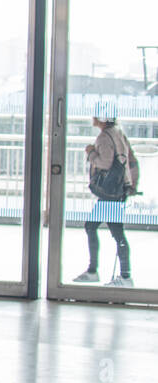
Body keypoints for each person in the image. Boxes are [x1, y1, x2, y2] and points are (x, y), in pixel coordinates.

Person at [74, 100, 133, 288]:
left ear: (101, 118)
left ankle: (116, 275)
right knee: (110, 230)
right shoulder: (118, 133)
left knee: (98, 228)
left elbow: (104, 163)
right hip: (118, 189)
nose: (92, 117)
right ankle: (119, 275)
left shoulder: (104, 137)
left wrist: (91, 153)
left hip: (109, 193)